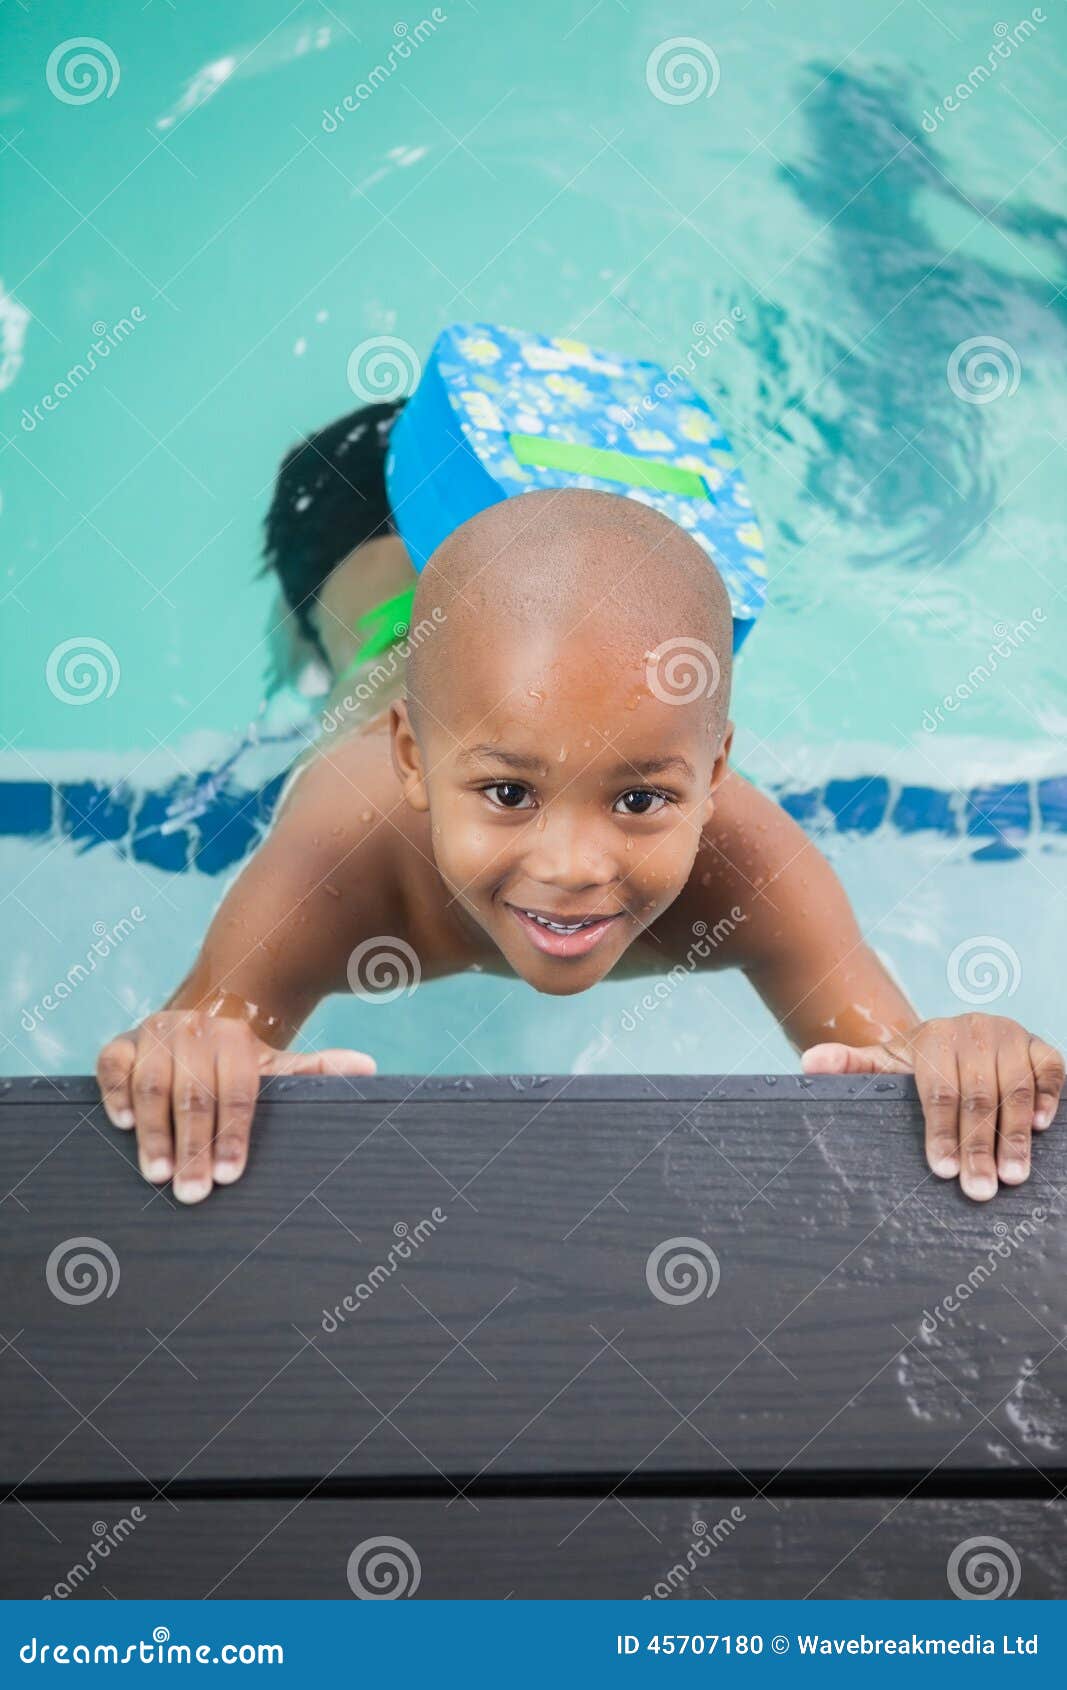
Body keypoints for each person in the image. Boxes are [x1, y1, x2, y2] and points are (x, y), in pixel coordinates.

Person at [96, 478, 1063, 1207]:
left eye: (640, 799)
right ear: (409, 759)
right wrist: (191, 1052)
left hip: (513, 598)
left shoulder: (748, 868)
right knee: (307, 666)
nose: (572, 867)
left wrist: (961, 1052)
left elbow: (894, 1056)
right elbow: (201, 1035)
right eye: (508, 791)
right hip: (359, 537)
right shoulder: (339, 854)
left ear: (715, 773)